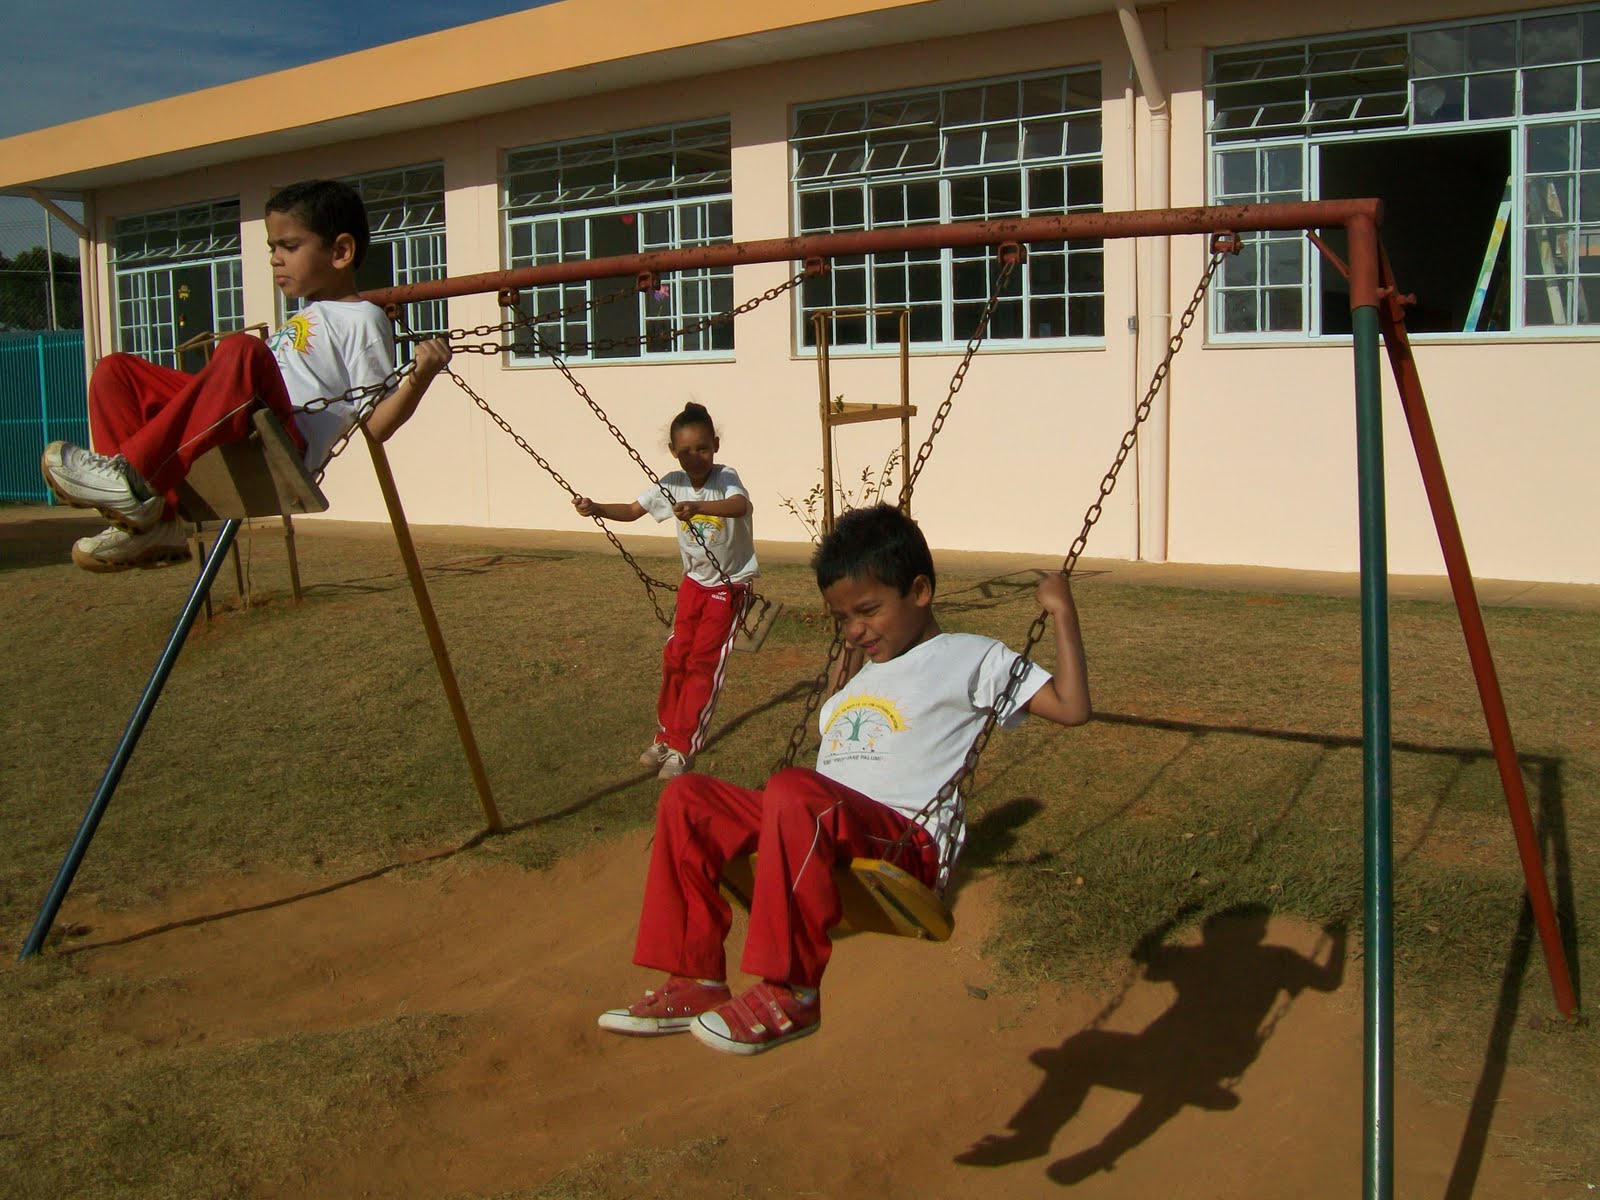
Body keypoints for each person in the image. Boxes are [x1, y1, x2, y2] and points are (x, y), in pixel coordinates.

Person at [597, 503, 1092, 1056]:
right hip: (825, 827)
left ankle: (793, 991)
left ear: (920, 591)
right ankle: (696, 978)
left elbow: (1072, 707)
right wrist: (845, 671)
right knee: (687, 798)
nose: (855, 630)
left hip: (904, 843)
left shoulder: (972, 656)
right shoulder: (853, 689)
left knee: (792, 787)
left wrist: (1062, 612)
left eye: (869, 611)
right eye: (842, 620)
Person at [40, 178, 450, 572]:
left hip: (283, 440)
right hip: (246, 421)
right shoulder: (308, 314)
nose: (275, 258)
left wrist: (421, 375)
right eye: (273, 247)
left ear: (341, 251)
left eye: (289, 246)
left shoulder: (364, 318)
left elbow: (376, 424)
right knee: (117, 371)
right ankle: (153, 521)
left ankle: (133, 478)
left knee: (241, 351)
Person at [572, 402, 757, 781]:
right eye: (686, 450)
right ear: (674, 451)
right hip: (693, 584)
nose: (695, 457)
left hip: (729, 584)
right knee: (676, 656)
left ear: (716, 445)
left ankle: (683, 745)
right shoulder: (670, 482)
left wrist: (700, 505)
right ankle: (665, 736)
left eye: (702, 448)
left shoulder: (726, 478)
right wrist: (596, 508)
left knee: (703, 662)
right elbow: (631, 509)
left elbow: (741, 505)